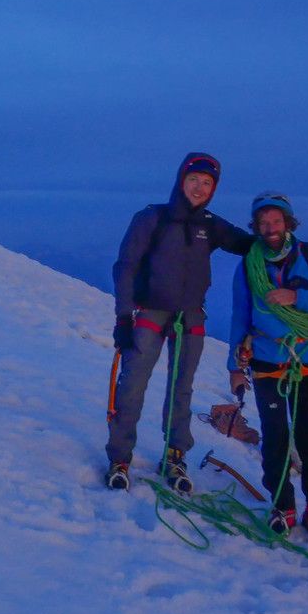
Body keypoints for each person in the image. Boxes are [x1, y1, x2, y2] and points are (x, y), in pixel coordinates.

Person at [106, 153, 254, 493]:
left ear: (213, 189)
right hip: (149, 313)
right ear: (181, 180)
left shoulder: (209, 225)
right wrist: (123, 316)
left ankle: (175, 455)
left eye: (207, 183)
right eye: (194, 180)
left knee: (181, 389)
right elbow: (125, 266)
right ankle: (120, 458)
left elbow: (245, 245)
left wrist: (280, 239)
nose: (199, 188)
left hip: (190, 317)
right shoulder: (152, 218)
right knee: (132, 385)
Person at [228, 192, 308, 551]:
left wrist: (297, 298)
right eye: (263, 222)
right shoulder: (248, 266)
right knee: (275, 436)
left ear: (288, 223)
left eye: (276, 221)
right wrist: (235, 367)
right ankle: (283, 505)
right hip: (267, 360)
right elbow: (240, 316)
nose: (270, 228)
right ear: (256, 226)